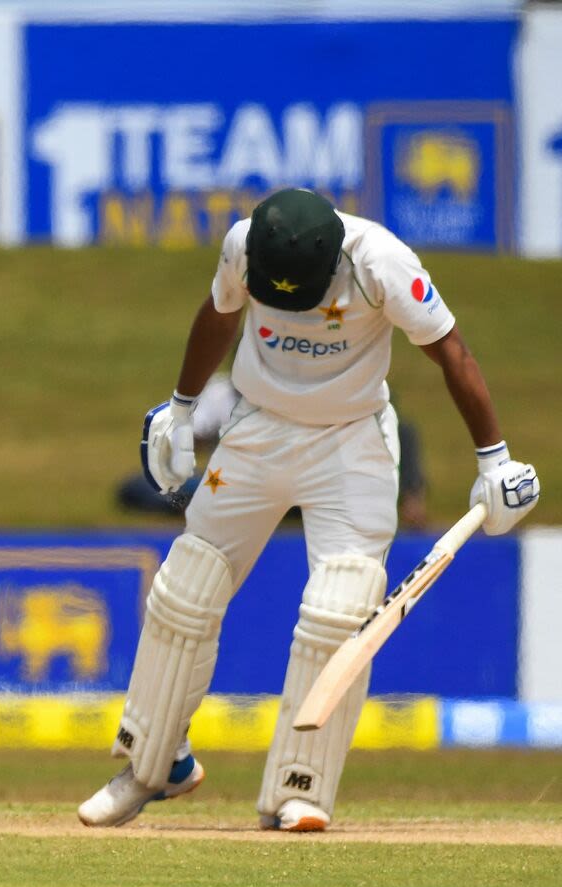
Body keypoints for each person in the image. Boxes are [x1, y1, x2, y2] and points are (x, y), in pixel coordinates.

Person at [79, 188, 540, 833]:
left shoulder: (383, 262)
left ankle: (301, 790)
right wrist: (182, 406)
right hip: (258, 428)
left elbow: (451, 351)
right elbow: (218, 314)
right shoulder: (244, 245)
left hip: (351, 442)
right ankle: (152, 766)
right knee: (187, 586)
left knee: (340, 604)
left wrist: (495, 459)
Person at [116, 374, 432, 530]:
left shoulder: (306, 391)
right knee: (140, 487)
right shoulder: (224, 396)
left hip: (308, 490)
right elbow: (185, 439)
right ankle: (183, 504)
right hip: (240, 488)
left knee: (400, 433)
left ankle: (410, 503)